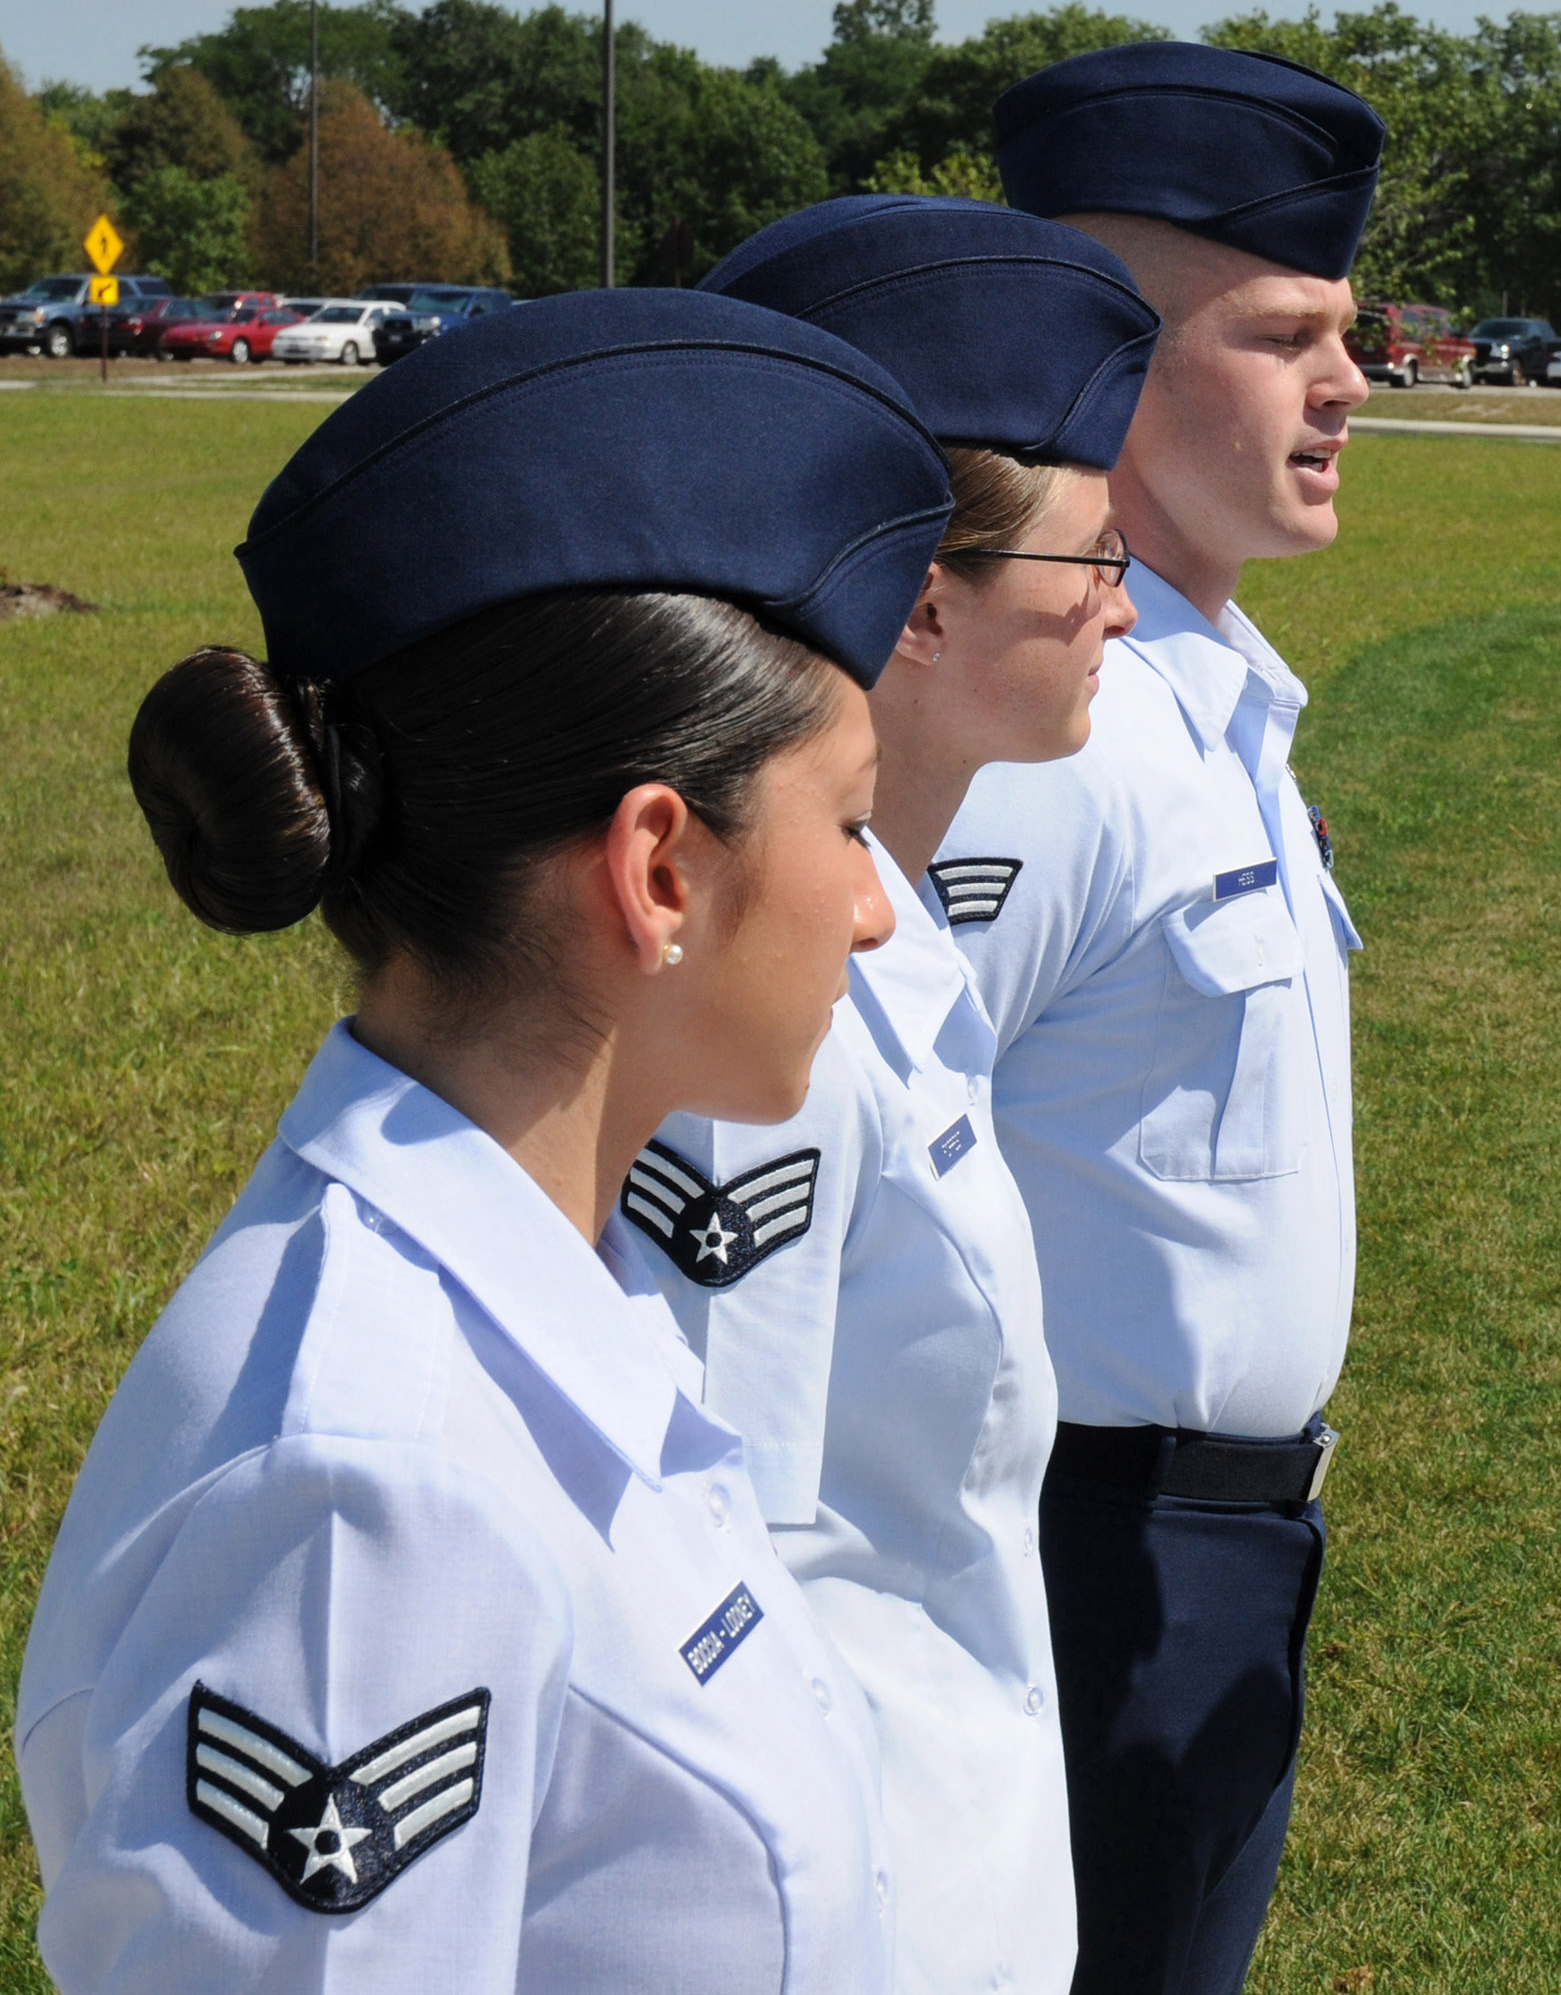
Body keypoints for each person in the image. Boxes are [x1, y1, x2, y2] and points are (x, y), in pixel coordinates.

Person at [13, 289, 956, 1992]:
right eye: (853, 823)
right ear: (658, 869)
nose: (881, 913)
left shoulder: (528, 1307)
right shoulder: (366, 1495)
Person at [606, 195, 1154, 1995]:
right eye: (1089, 564)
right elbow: (708, 1576)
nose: (1125, 610)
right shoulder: (752, 1040)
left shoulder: (891, 949)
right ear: (922, 601)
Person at [921, 43, 1383, 1995]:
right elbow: (852, 1169)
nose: (1353, 386)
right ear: (1110, 368)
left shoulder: (1208, 695)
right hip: (1071, 1564)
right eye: (1286, 335)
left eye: (1349, 333)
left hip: (1210, 1560)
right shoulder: (1058, 743)